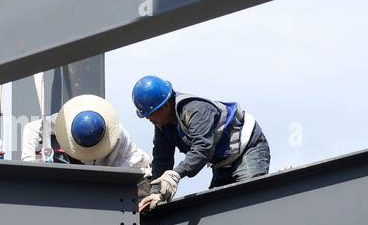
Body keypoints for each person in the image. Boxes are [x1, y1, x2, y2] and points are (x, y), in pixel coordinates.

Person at [132, 75, 270, 212]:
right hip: (222, 162)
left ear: (166, 105)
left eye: (151, 113)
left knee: (248, 204)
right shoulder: (163, 125)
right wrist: (156, 192)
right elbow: (162, 159)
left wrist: (175, 175)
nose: (148, 118)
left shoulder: (196, 110)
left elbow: (202, 149)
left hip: (248, 149)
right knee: (217, 209)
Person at [19, 94, 151, 173]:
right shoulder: (65, 119)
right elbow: (32, 128)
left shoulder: (118, 141)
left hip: (133, 170)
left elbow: (119, 175)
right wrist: (29, 163)